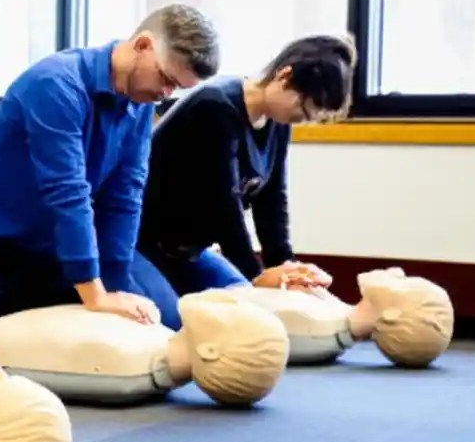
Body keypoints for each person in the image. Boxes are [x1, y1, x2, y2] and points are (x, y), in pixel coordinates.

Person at [0, 5, 221, 379]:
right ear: (142, 45)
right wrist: (94, 294)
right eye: (165, 78)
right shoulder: (56, 83)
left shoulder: (141, 103)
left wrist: (113, 286)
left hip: (44, 253)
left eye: (176, 88)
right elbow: (67, 192)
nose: (164, 92)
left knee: (157, 327)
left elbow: (125, 195)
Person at [131, 34, 358, 329]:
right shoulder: (216, 106)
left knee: (252, 316)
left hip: (187, 252)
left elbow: (272, 200)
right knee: (173, 323)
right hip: (136, 243)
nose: (302, 118)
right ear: (284, 75)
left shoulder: (278, 123)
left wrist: (283, 267)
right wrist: (256, 274)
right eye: (303, 108)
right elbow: (221, 205)